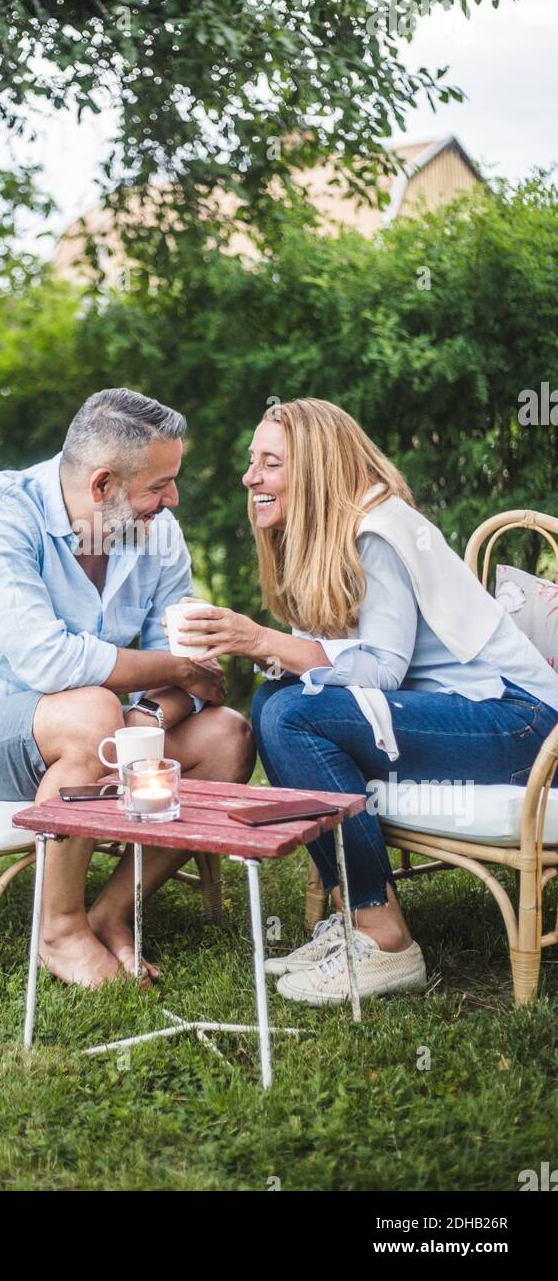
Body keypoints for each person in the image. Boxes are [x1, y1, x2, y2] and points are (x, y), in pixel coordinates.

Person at [174, 397, 558, 1006]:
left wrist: (260, 638)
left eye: (269, 463)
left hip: (520, 725)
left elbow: (381, 672)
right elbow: (320, 665)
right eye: (253, 462)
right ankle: (357, 917)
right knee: (277, 703)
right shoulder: (324, 537)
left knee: (292, 714)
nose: (250, 478)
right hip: (458, 716)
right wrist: (252, 650)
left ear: (317, 469)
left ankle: (384, 940)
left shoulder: (380, 531)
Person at [0, 388, 255, 988]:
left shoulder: (156, 535)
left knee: (228, 736)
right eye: (159, 486)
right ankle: (58, 932)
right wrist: (166, 676)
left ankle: (111, 912)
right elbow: (52, 662)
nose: (174, 499)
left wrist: (145, 713)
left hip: (100, 735)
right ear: (102, 484)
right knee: (91, 711)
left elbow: (196, 672)